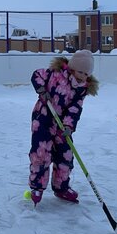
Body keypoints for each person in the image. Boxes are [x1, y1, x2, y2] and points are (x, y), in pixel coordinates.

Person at [27, 49, 99, 206]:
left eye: (87, 74)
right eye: (80, 72)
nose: (83, 76)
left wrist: (68, 126)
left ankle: (62, 188)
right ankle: (37, 187)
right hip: (43, 119)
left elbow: (75, 108)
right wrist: (41, 89)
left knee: (65, 156)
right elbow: (36, 75)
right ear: (72, 68)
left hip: (62, 125)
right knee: (41, 153)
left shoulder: (82, 89)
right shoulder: (54, 73)